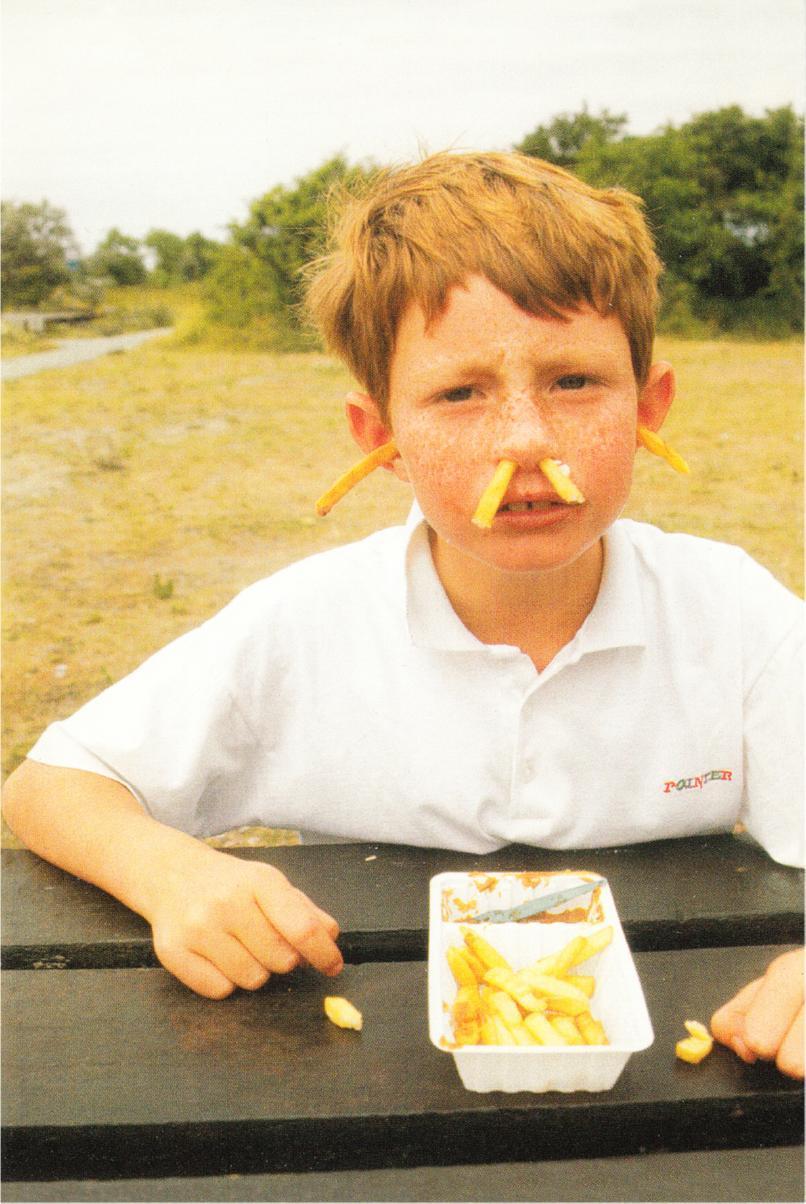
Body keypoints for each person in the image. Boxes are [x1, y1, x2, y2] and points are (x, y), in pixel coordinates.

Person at [3, 151, 802, 1078]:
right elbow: (50, 784)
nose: (527, 442)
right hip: (356, 1065)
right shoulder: (306, 623)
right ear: (378, 438)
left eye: (574, 382)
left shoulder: (733, 614)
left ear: (648, 406)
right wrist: (173, 873)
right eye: (459, 394)